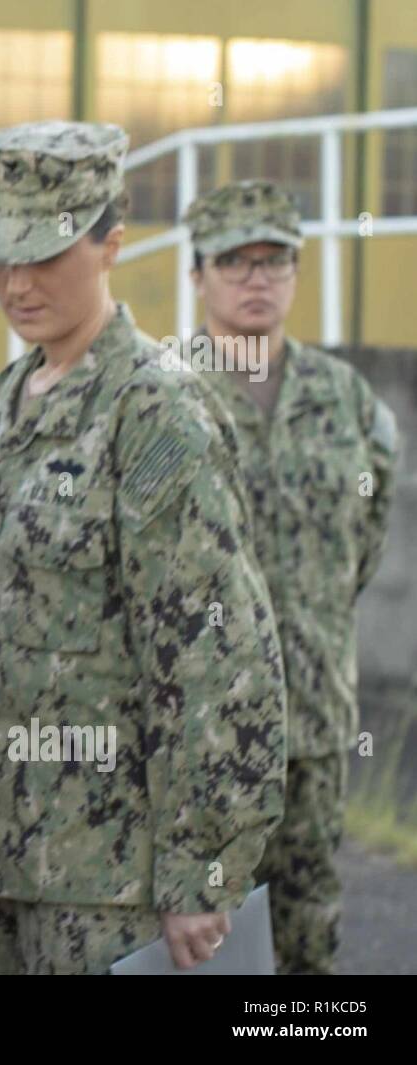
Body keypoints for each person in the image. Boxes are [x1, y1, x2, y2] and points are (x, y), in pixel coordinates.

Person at [0, 121, 288, 975]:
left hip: (109, 886)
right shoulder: (1, 404)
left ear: (111, 242)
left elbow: (219, 653)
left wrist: (202, 870)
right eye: (1, 256)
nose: (17, 282)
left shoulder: (154, 413)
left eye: (45, 253)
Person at [183, 179, 400, 974]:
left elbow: (360, 551)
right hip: (194, 738)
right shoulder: (160, 393)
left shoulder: (344, 400)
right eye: (235, 260)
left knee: (309, 935)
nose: (257, 277)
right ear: (197, 274)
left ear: (297, 274)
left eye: (275, 260)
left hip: (312, 727)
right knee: (193, 940)